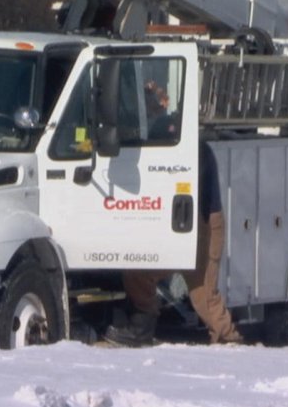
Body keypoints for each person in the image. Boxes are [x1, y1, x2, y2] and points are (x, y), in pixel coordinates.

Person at [103, 143, 241, 347]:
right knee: (139, 270)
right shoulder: (182, 147)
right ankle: (142, 326)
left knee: (203, 293)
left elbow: (195, 196)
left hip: (203, 222)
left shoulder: (196, 150)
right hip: (182, 219)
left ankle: (229, 341)